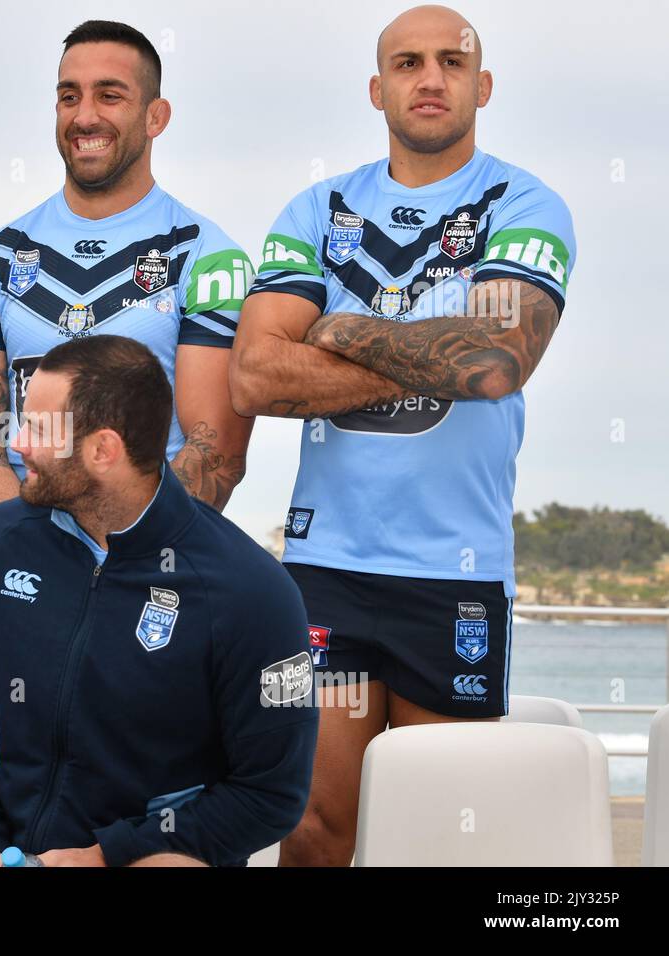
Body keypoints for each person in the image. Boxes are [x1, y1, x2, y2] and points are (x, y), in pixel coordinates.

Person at [229, 4, 576, 866]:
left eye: (452, 63)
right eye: (409, 63)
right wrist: (435, 348)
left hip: (451, 574)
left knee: (437, 834)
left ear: (482, 86)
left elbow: (497, 363)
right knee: (312, 827)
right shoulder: (320, 207)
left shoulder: (523, 202)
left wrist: (334, 329)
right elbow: (255, 377)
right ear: (377, 88)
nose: (431, 78)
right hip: (324, 573)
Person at [0, 335, 317, 867]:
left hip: (146, 857)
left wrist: (104, 855)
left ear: (103, 450)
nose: (17, 443)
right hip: (8, 852)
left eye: (39, 430)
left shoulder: (250, 588)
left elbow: (271, 795)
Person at [0, 20, 255, 517]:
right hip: (27, 563)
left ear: (156, 116)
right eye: (69, 97)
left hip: (151, 565)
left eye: (109, 96)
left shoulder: (210, 257)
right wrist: (34, 555)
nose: (84, 117)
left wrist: (125, 557)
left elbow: (214, 453)